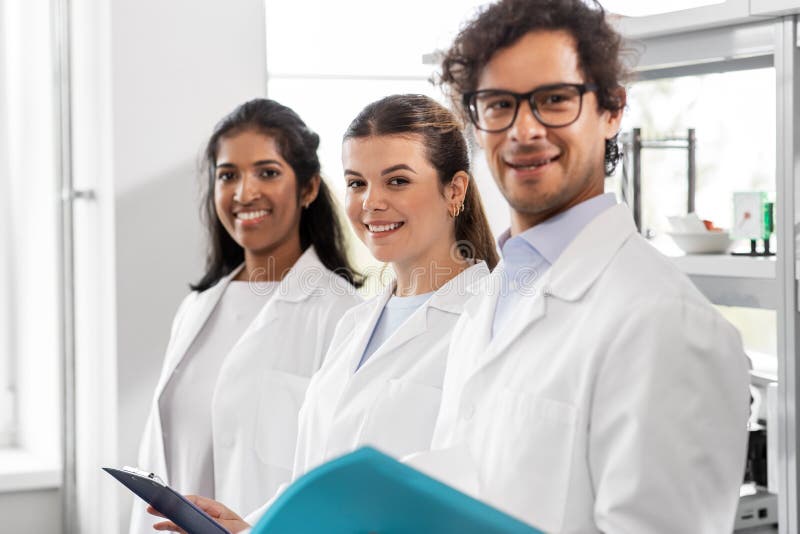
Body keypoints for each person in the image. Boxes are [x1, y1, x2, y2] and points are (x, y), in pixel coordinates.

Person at [410, 1, 751, 533]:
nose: (524, 130)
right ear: (476, 122)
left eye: (554, 99)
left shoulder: (668, 324)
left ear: (612, 110)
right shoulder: (489, 299)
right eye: (499, 104)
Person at [149, 94, 499, 533]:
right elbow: (318, 472)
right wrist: (250, 526)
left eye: (397, 181)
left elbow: (460, 497)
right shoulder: (357, 324)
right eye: (356, 183)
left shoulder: (488, 323)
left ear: (455, 190)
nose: (371, 202)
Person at [130, 98, 363, 534]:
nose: (243, 193)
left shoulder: (343, 315)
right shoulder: (197, 308)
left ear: (309, 188)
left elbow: (335, 480)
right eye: (228, 175)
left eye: (267, 172)